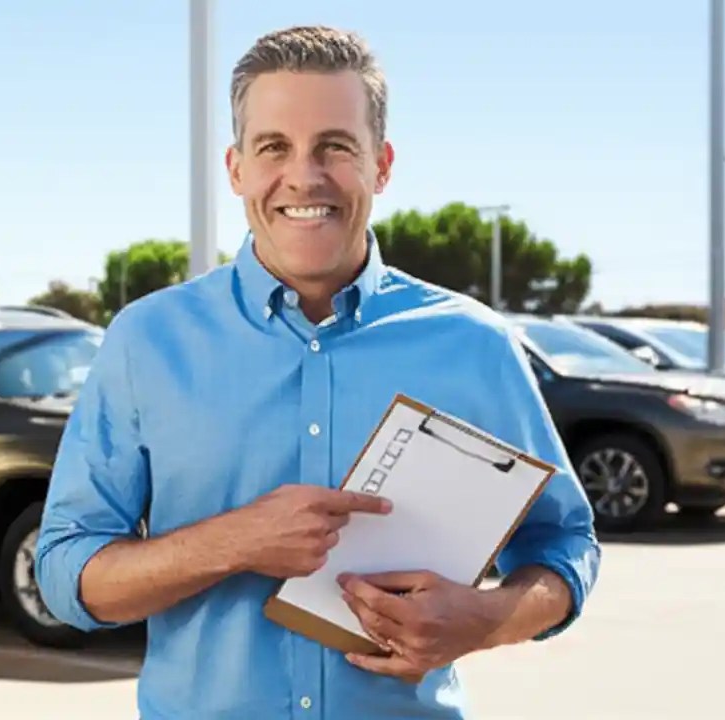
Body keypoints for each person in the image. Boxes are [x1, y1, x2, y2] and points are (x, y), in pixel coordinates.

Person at [35, 24, 601, 719]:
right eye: (274, 147)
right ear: (236, 167)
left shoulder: (473, 344)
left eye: (335, 146)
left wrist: (488, 618)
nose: (304, 176)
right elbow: (67, 579)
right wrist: (234, 540)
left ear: (381, 165)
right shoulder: (145, 342)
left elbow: (564, 542)